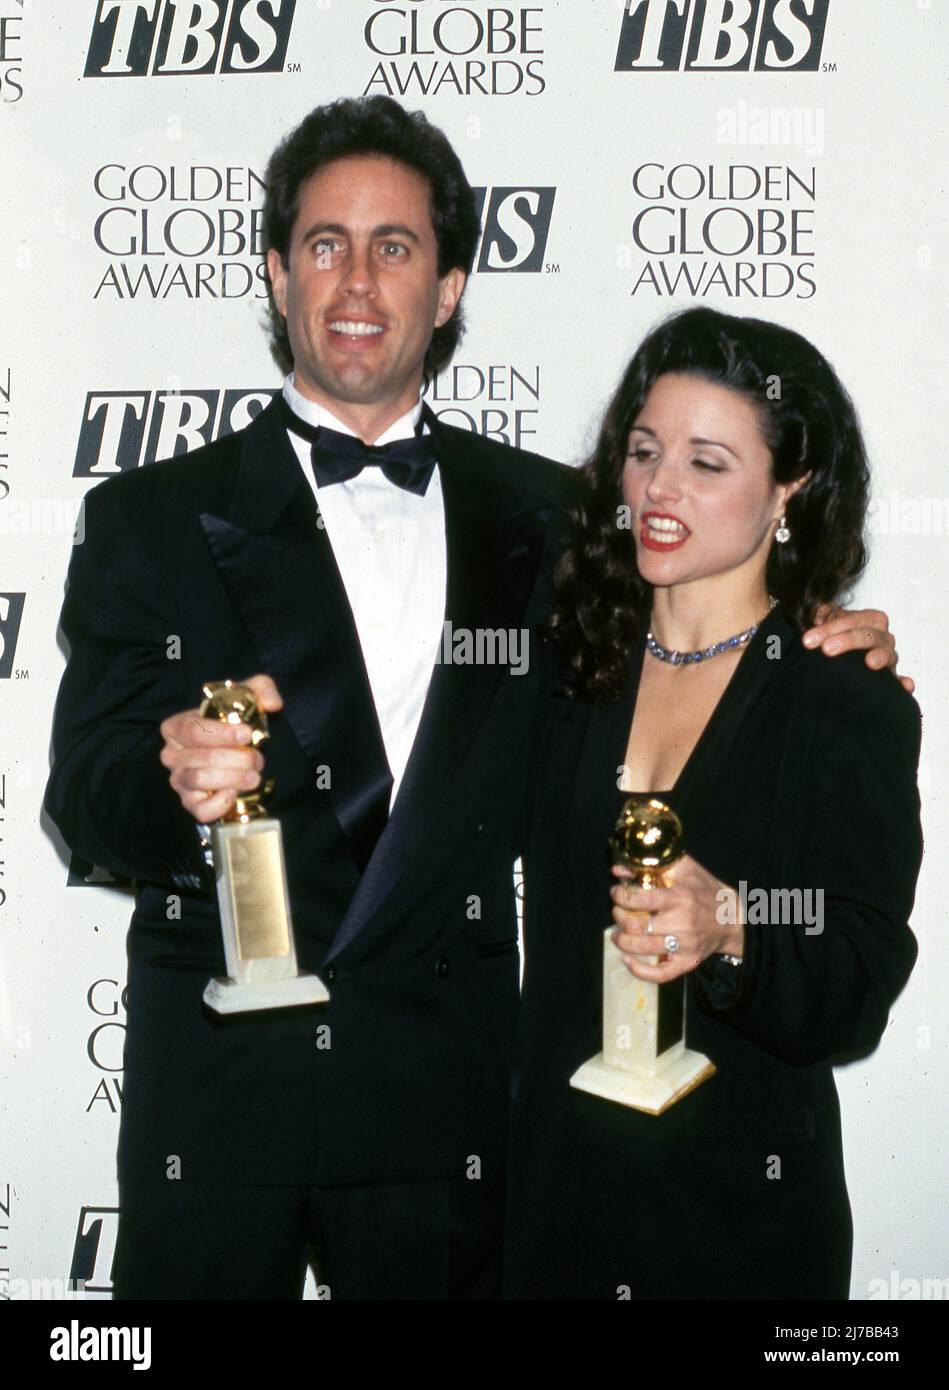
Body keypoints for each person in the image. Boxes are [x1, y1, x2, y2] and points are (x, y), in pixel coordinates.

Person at [44, 97, 903, 1302]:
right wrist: (164, 779)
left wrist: (823, 629)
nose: (356, 278)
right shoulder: (144, 519)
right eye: (324, 242)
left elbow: (705, 610)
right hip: (224, 1103)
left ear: (448, 287)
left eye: (394, 246)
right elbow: (82, 805)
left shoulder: (555, 522)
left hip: (450, 1121)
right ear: (280, 271)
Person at [504, 307, 923, 1301]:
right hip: (549, 1204)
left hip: (736, 1220)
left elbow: (857, 968)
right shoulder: (562, 667)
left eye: (708, 462)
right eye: (644, 451)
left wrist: (734, 923)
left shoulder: (839, 697)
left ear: (791, 488)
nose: (658, 489)